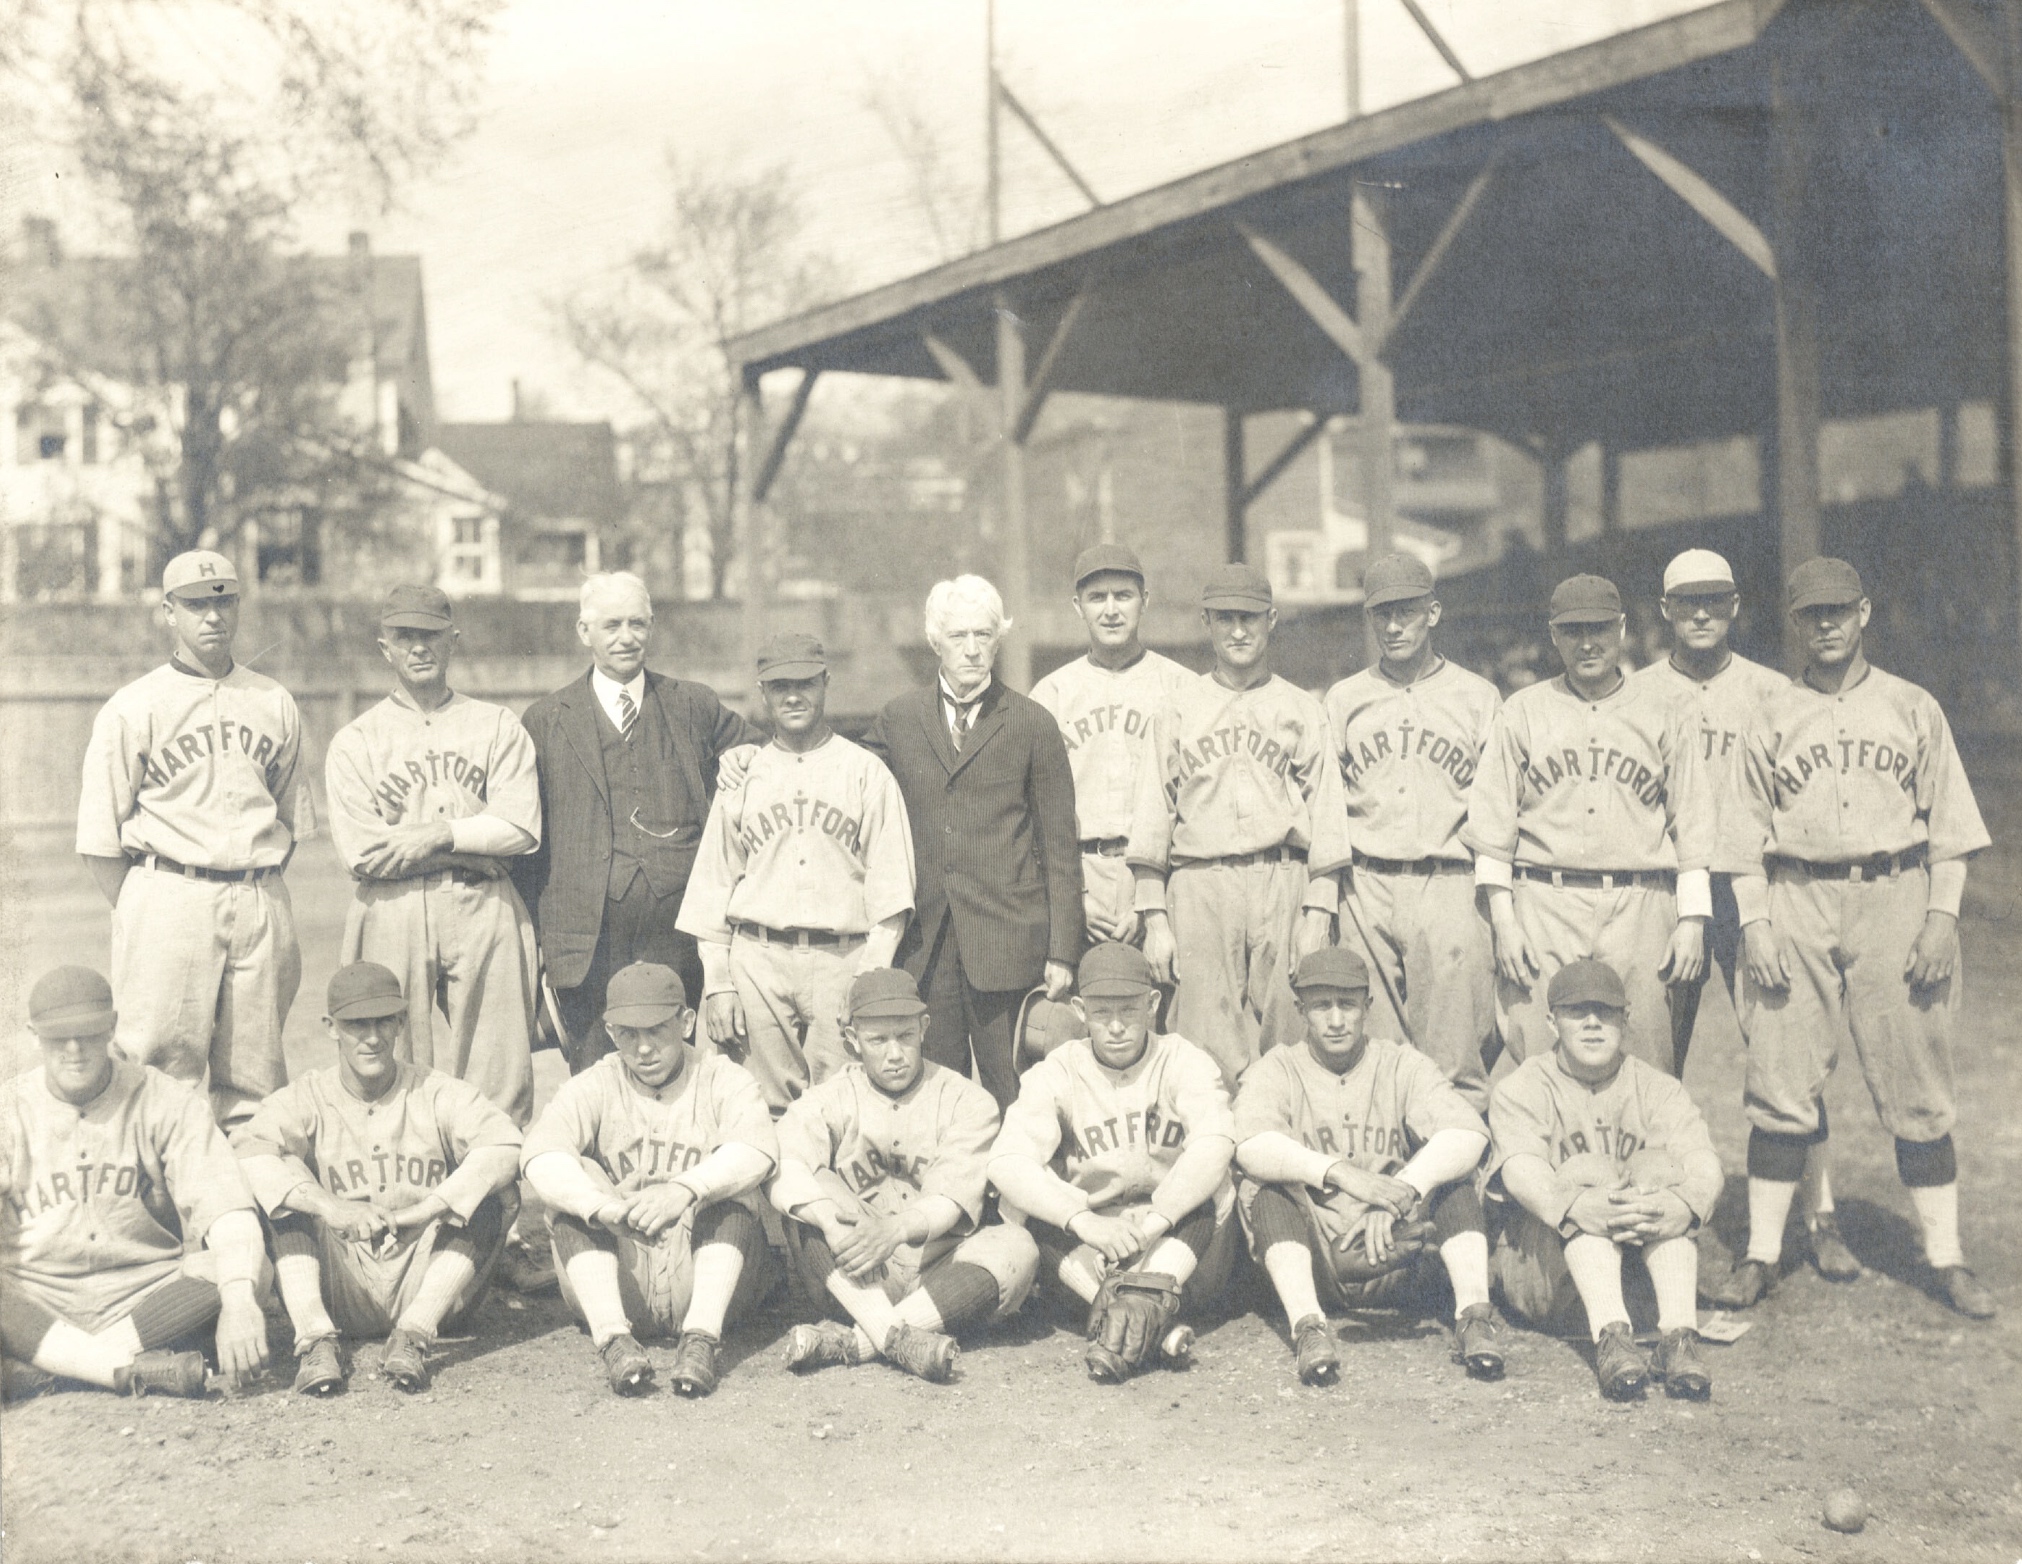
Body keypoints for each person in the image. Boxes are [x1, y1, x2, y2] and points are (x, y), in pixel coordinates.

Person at [1716, 558, 1994, 1319]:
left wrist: (1941, 918)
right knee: (1780, 1079)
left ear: (1864, 612)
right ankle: (1761, 1255)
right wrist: (1756, 923)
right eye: (1812, 613)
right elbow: (1739, 839)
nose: (1826, 624)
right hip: (1795, 895)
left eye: (1838, 610)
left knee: (1917, 1083)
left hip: (1895, 893)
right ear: (1795, 623)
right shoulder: (1771, 714)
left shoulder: (1912, 706)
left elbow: (1953, 832)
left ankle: (1947, 1258)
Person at [1630, 548, 1854, 1282]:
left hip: (1759, 893)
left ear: (1734, 607)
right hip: (1670, 896)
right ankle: (1647, 1215)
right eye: (1686, 601)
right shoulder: (1636, 693)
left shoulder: (1772, 690)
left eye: (1715, 600)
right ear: (1664, 610)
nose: (1700, 613)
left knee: (1789, 1058)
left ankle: (1820, 1216)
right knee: (1652, 1061)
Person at [75, 549, 305, 1126]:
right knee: (155, 1075)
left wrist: (252, 883)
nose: (213, 616)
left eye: (224, 602)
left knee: (257, 1081)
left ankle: (250, 1184)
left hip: (258, 895)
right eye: (196, 604)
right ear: (168, 612)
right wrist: (149, 903)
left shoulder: (273, 700)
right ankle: (151, 1185)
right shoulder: (134, 705)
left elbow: (290, 820)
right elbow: (100, 840)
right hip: (169, 895)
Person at [231, 963, 525, 1396]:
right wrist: (330, 1206)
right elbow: (244, 1152)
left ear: (401, 1022)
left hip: (429, 1281)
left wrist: (425, 1211)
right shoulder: (307, 1095)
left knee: (493, 1190)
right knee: (278, 1187)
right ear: (331, 1028)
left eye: (384, 1021)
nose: (372, 1038)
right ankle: (315, 1339)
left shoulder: (434, 1090)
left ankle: (414, 1334)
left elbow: (507, 1145)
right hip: (339, 1279)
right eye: (357, 1024)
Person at [1463, 573, 1714, 1076]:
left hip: (1641, 903)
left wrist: (1691, 921)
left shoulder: (1664, 710)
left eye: (1598, 628)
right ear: (1554, 635)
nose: (1587, 643)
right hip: (1545, 901)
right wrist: (1505, 923)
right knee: (1540, 1056)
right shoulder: (1523, 711)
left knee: (1646, 1062)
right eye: (1572, 631)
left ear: (1620, 628)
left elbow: (1693, 824)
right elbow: (1491, 831)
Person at [516, 572, 763, 1073]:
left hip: (677, 931)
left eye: (637, 624)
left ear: (652, 626)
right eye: (612, 625)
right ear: (584, 632)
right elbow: (527, 843)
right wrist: (543, 939)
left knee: (676, 1069)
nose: (626, 637)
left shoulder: (692, 704)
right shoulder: (545, 719)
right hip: (588, 940)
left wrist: (745, 755)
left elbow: (760, 752)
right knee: (597, 1074)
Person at [862, 575, 1083, 1110]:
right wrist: (751, 756)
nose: (972, 649)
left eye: (984, 635)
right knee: (938, 1097)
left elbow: (1060, 848)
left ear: (998, 640)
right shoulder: (899, 720)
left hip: (1008, 944)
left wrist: (1062, 951)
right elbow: (845, 780)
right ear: (934, 641)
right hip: (926, 945)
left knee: (1015, 1094)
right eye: (958, 636)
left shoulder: (1032, 723)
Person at [325, 585, 543, 1126]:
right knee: (385, 1060)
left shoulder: (497, 725)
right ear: (385, 648)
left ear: (453, 641)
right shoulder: (356, 739)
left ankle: (493, 1176)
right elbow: (363, 853)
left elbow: (519, 829)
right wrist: (467, 848)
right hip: (392, 905)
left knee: (499, 1071)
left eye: (431, 635)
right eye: (405, 637)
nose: (419, 647)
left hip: (483, 906)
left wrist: (435, 835)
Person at [1234, 947, 1500, 1388]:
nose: (1336, 1020)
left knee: (1455, 1180)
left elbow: (1468, 1133)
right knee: (1265, 1190)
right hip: (1316, 1258)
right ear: (1301, 1011)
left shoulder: (1401, 1063)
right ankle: (1308, 1327)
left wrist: (1402, 1191)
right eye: (1322, 1006)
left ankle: (1474, 1317)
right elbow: (1251, 1146)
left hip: (1397, 1251)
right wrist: (1344, 1174)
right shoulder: (1279, 1067)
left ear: (1368, 1006)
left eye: (1348, 1004)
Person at [0, 967, 270, 1399]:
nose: (74, 1049)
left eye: (88, 1033)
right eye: (59, 1036)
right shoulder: (9, 1109)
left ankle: (61, 1369)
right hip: (37, 1302)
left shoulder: (163, 1098)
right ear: (34, 1035)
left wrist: (239, 1301)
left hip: (144, 1298)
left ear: (112, 1026)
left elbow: (227, 1209)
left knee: (247, 1269)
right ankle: (124, 1370)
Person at [1128, 563, 1350, 1085]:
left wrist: (1320, 909)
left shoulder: (1301, 708)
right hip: (1200, 884)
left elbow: (1327, 813)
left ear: (1270, 620)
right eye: (1225, 618)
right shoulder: (1176, 708)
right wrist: (1154, 919)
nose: (1238, 631)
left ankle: (1286, 1135)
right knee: (1203, 1049)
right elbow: (1153, 817)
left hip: (1284, 879)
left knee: (1294, 1039)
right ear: (1206, 622)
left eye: (1249, 618)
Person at [677, 633, 915, 1112]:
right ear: (762, 692)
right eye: (779, 686)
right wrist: (718, 982)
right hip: (757, 961)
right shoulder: (742, 777)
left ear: (825, 682)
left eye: (804, 683)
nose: (792, 696)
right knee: (754, 1106)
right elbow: (712, 888)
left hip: (842, 960)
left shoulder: (865, 771)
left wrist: (870, 973)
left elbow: (892, 888)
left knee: (846, 1104)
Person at [521, 963, 779, 1397]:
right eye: (628, 1033)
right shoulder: (596, 1082)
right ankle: (613, 1341)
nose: (643, 1048)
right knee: (575, 1185)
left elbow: (758, 1150)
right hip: (625, 1280)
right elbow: (539, 1155)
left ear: (687, 1022)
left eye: (657, 1030)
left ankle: (701, 1340)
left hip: (705, 1277)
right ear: (610, 1032)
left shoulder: (722, 1077)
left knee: (733, 1191)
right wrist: (601, 1208)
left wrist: (685, 1189)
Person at [770, 969, 1039, 1382]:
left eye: (905, 1036)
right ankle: (899, 1337)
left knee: (1018, 1247)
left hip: (941, 1267)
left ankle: (860, 1340)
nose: (894, 1053)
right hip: (861, 1268)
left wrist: (894, 1231)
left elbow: (949, 1200)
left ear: (924, 1028)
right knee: (807, 1199)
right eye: (878, 1040)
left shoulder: (967, 1099)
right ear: (852, 1040)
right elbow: (784, 1161)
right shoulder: (830, 1096)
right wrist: (829, 1220)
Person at [987, 942, 1237, 1384]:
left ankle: (1137, 1303)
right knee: (1022, 1197)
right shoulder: (1058, 1069)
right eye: (1102, 1012)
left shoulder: (1183, 1058)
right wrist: (1084, 1222)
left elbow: (1215, 1144)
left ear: (1153, 1004)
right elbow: (1007, 1161)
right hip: (1093, 1253)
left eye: (1129, 1010)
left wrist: (1155, 1221)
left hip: (1176, 1244)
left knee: (1212, 1180)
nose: (1117, 1026)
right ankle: (1149, 1318)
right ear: (1081, 1011)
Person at [1488, 959, 1723, 1402]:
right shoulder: (1522, 1087)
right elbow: (1521, 1171)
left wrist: (1681, 1205)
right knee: (1585, 1181)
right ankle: (1611, 1337)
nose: (1593, 1023)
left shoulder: (1658, 1087)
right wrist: (1579, 1206)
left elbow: (1703, 1162)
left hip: (1637, 1269)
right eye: (1577, 1011)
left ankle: (1678, 1339)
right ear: (1552, 1022)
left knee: (1663, 1179)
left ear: (1625, 1019)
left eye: (1606, 1011)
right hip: (1546, 1275)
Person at [1323, 553, 1500, 1107]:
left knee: (1456, 1059)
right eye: (1383, 614)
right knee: (1373, 1059)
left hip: (1448, 882)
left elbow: (1496, 814)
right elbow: (1326, 808)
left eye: (1407, 612)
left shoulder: (1478, 697)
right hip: (1365, 886)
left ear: (1434, 613)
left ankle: (1459, 1163)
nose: (1394, 626)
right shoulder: (1344, 699)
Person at [1030, 543, 1193, 945]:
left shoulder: (1182, 687)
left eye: (1123, 596)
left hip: (1164, 879)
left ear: (1145, 601)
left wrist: (1151, 899)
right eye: (1096, 597)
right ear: (1078, 606)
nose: (1110, 610)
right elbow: (1034, 810)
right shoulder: (1051, 693)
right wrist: (1073, 898)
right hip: (1079, 876)